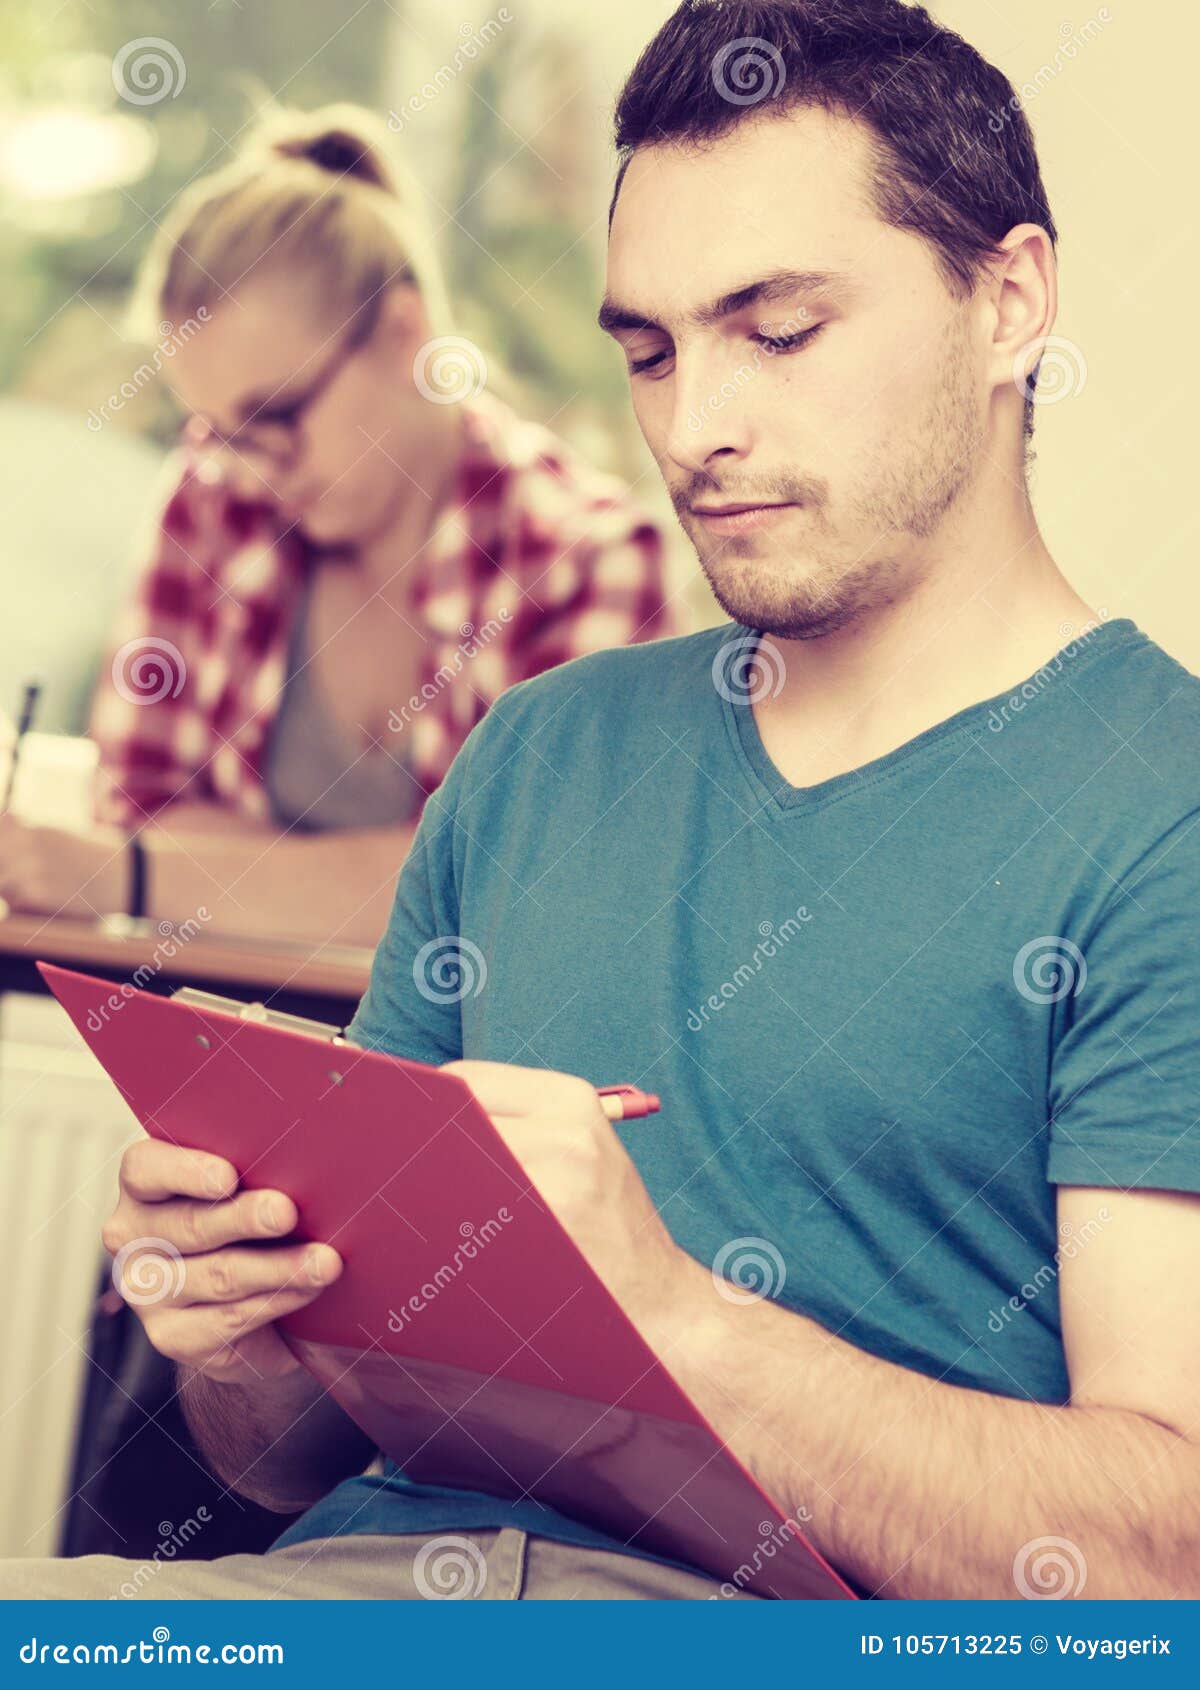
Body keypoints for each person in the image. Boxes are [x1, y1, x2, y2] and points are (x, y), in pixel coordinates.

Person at [4, 0, 1197, 1601]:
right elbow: (284, 1457)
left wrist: (677, 1312)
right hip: (340, 1596)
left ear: (1010, 302)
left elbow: (1163, 1566)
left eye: (780, 330)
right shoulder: (535, 753)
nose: (694, 428)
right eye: (650, 352)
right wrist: (235, 1330)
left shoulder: (1160, 811)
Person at [0, 104, 673, 947]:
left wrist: (130, 875)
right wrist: (382, 878)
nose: (252, 468)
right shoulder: (209, 496)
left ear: (403, 332)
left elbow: (524, 896)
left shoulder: (588, 557)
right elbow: (136, 803)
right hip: (206, 1014)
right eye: (221, 431)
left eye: (278, 416)